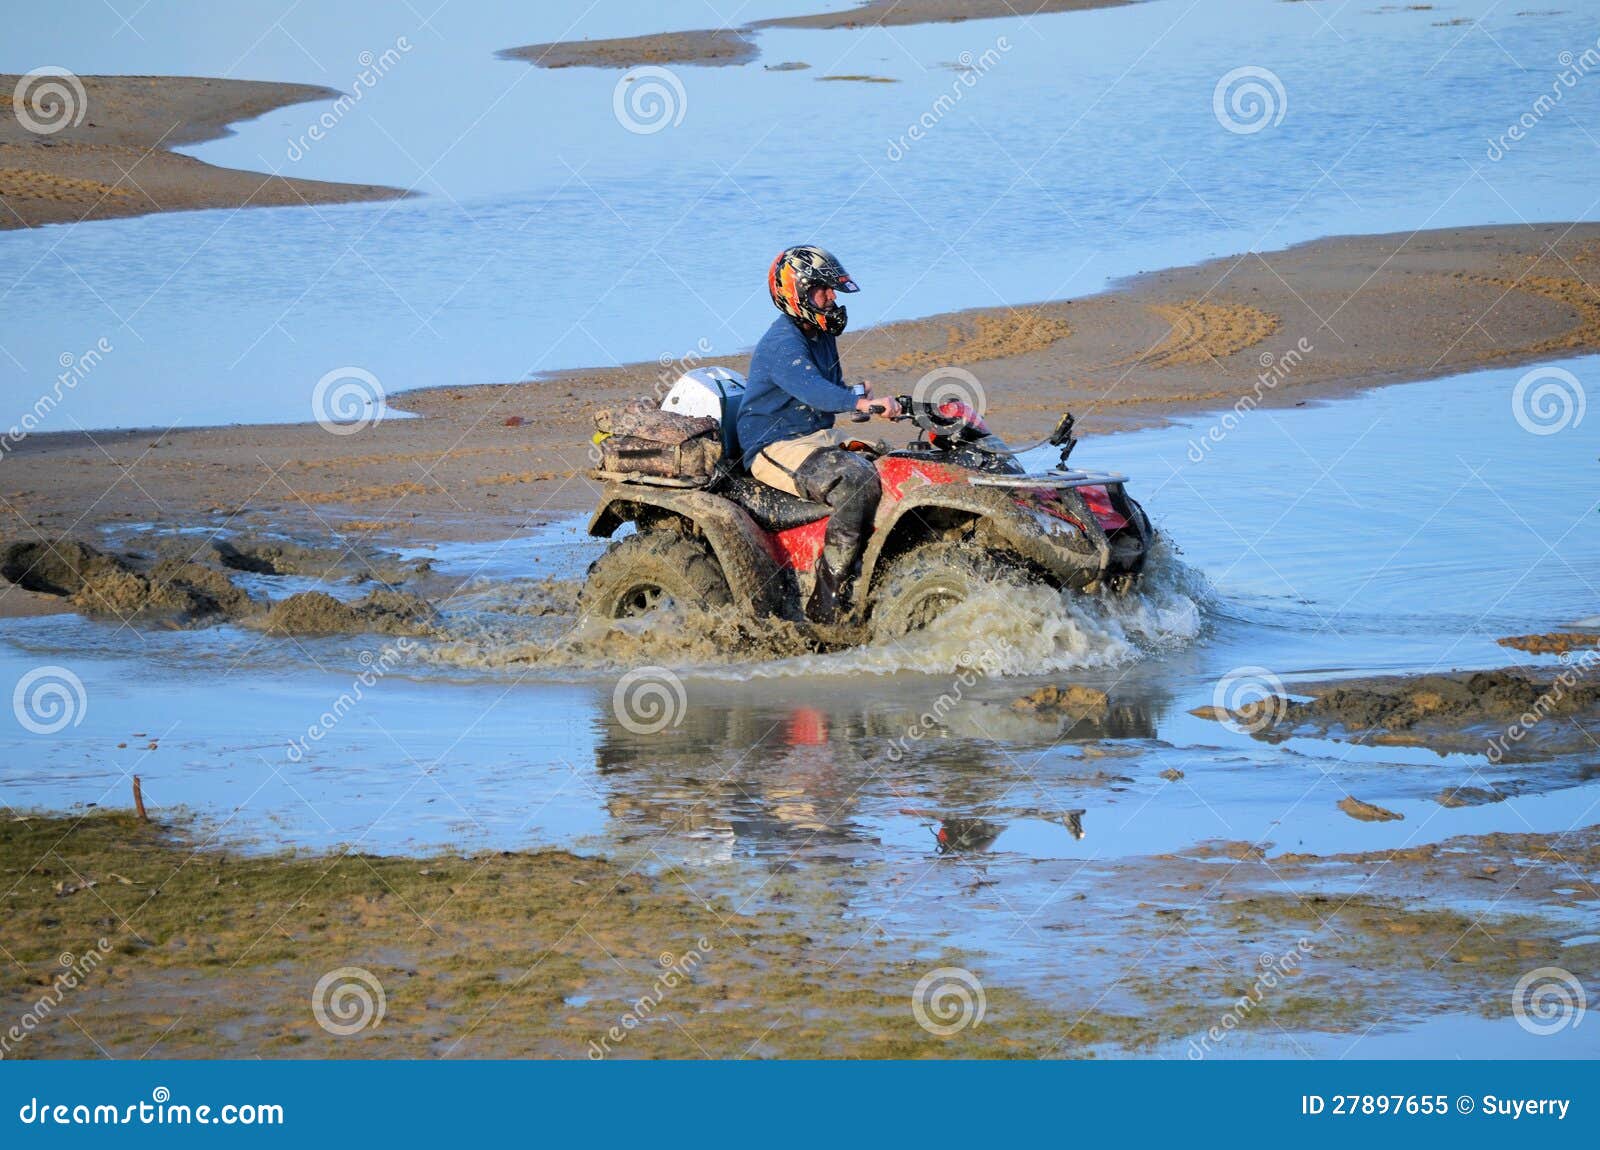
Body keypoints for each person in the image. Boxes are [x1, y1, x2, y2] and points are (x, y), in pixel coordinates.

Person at [736, 245, 901, 623]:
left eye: (832, 290)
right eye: (821, 291)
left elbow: (831, 393)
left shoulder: (822, 334)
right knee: (853, 480)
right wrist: (855, 402)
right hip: (774, 444)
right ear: (796, 294)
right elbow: (814, 390)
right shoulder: (783, 343)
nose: (830, 298)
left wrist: (862, 400)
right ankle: (827, 598)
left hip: (814, 437)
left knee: (890, 461)